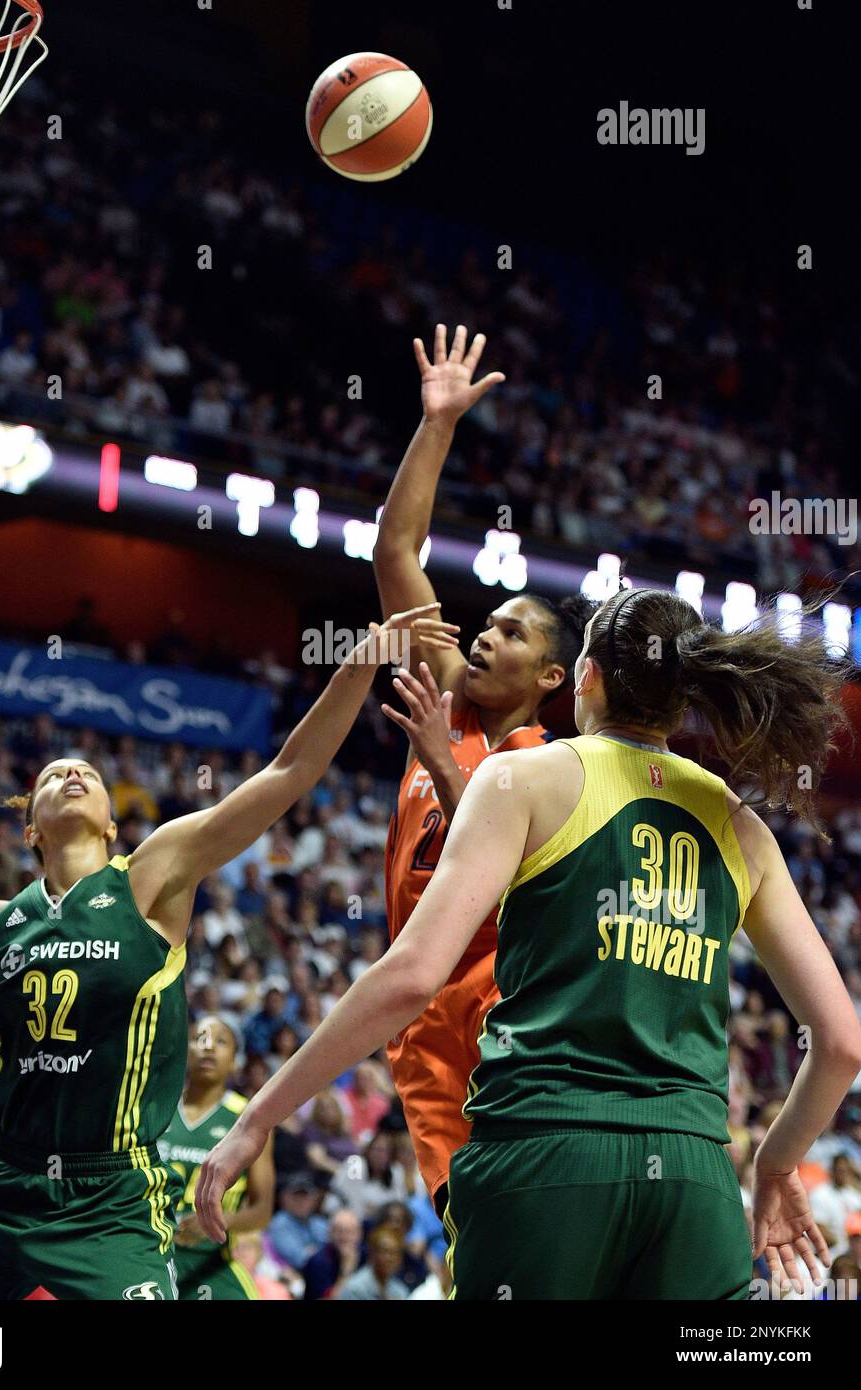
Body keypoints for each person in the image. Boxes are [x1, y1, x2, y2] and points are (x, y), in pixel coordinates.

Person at [197, 587, 861, 1300]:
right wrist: (777, 1163)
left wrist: (259, 1115)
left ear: (585, 678)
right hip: (693, 1180)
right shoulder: (742, 827)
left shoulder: (522, 778)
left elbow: (412, 977)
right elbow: (842, 1042)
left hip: (545, 1159)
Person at [0, 605, 434, 1300]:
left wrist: (358, 663)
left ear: (112, 821)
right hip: (0, 1186)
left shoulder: (151, 878)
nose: (69, 774)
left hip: (109, 1196)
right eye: (51, 777)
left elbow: (289, 771)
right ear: (32, 829)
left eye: (86, 775)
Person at [373, 323, 592, 1213]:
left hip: (505, 1005)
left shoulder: (552, 762)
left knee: (523, 1227)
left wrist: (440, 762)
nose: (484, 633)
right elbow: (395, 552)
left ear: (550, 677)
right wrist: (439, 425)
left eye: (511, 631)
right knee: (468, 1233)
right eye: (486, 623)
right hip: (419, 1009)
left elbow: (519, 878)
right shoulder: (450, 700)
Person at [158, 1015, 273, 1301]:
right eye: (199, 1039)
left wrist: (218, 1220)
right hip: (148, 1251)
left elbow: (262, 1211)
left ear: (235, 1061)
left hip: (209, 1260)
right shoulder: (157, 1107)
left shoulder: (248, 1118)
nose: (208, 1047)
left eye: (221, 1041)